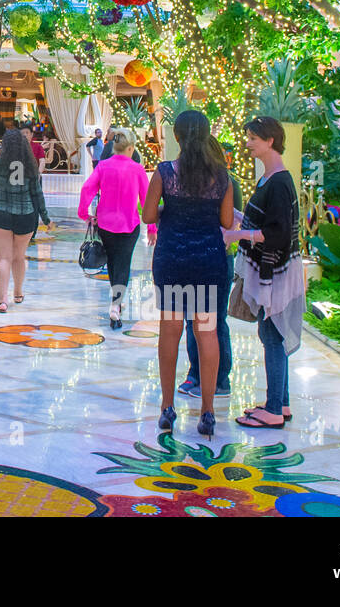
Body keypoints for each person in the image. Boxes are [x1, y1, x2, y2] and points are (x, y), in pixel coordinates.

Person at [141, 110, 234, 438]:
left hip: (173, 261)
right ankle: (207, 411)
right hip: (208, 262)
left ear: (177, 137)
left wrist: (172, 209)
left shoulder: (166, 173)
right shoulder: (221, 177)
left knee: (170, 332)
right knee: (206, 333)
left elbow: (148, 214)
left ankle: (168, 407)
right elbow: (226, 222)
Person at [224, 117, 304, 429]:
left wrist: (237, 236)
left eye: (254, 138)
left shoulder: (280, 182)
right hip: (272, 267)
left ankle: (272, 409)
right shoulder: (270, 179)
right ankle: (280, 403)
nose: (248, 143)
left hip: (277, 270)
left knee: (272, 334)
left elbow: (277, 233)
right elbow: (266, 223)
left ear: (270, 140)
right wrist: (240, 219)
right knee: (272, 333)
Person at [77, 129, 151, 329]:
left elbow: (87, 189)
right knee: (123, 263)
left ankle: (116, 302)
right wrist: (152, 227)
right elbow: (146, 200)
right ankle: (116, 304)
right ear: (130, 148)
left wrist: (84, 213)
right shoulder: (137, 169)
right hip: (129, 224)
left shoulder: (102, 166)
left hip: (105, 224)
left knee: (112, 262)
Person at [179, 170, 242, 400]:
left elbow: (233, 222)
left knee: (214, 320)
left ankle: (220, 379)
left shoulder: (228, 182)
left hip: (218, 257)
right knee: (191, 320)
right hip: (193, 256)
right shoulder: (190, 178)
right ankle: (195, 373)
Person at [0, 129, 54, 313]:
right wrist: (45, 218)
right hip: (25, 214)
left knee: (3, 258)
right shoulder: (30, 166)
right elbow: (37, 194)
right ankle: (18, 293)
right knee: (19, 256)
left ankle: (3, 300)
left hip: (0, 213)